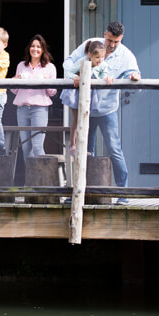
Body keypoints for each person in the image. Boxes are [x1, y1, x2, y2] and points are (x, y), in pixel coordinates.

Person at [62, 21, 141, 198]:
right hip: (86, 109)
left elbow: (136, 76)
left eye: (117, 42)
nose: (112, 45)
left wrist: (134, 77)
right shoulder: (91, 44)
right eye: (110, 40)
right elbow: (69, 62)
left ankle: (122, 194)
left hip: (107, 109)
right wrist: (74, 76)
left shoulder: (126, 56)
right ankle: (82, 193)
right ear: (105, 34)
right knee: (85, 149)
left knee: (114, 149)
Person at [11, 34, 58, 158]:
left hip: (39, 109)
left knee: (37, 146)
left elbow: (52, 92)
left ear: (43, 49)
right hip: (22, 109)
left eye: (38, 46)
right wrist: (15, 79)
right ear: (29, 48)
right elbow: (14, 90)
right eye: (33, 46)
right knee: (26, 147)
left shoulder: (49, 67)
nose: (35, 49)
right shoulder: (21, 66)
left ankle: (42, 177)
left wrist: (46, 82)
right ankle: (30, 177)